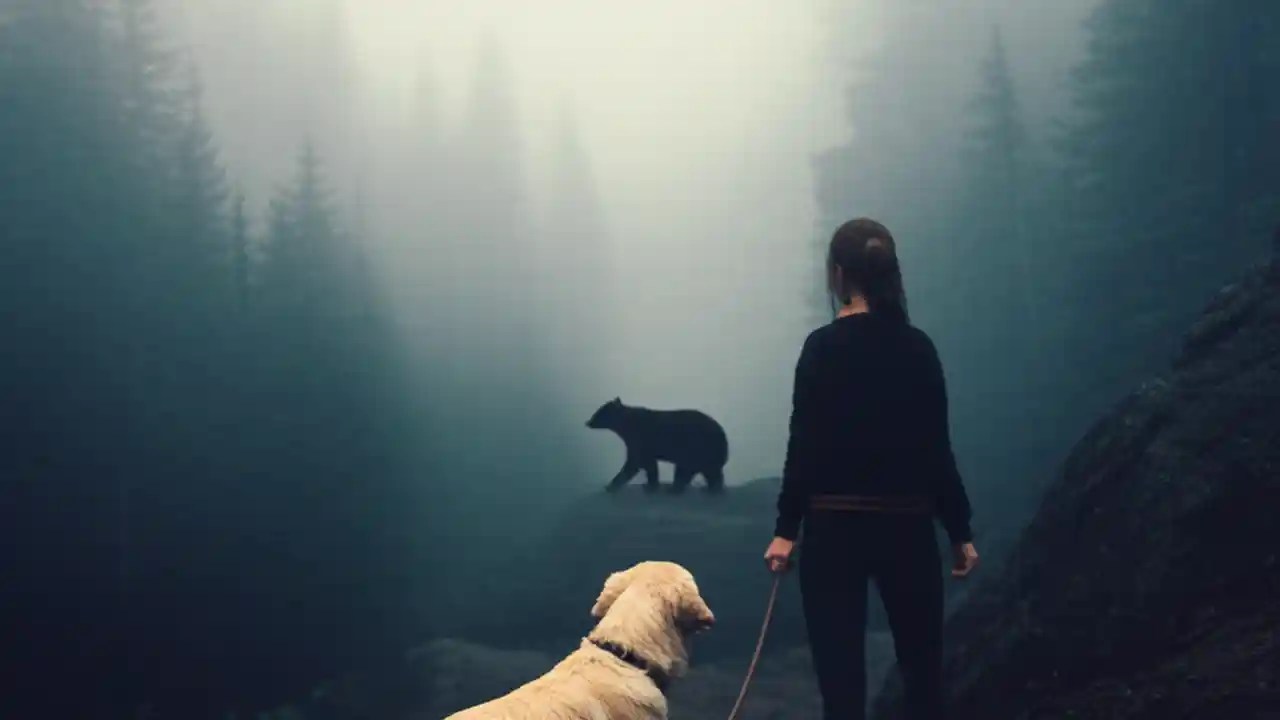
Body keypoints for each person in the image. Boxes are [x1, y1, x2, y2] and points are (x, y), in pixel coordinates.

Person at [763, 217, 980, 720]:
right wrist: (960, 530)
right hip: (907, 527)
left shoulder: (821, 348)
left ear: (838, 274)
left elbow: (805, 446)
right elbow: (935, 449)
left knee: (842, 693)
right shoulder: (917, 347)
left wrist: (785, 530)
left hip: (833, 531)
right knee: (924, 682)